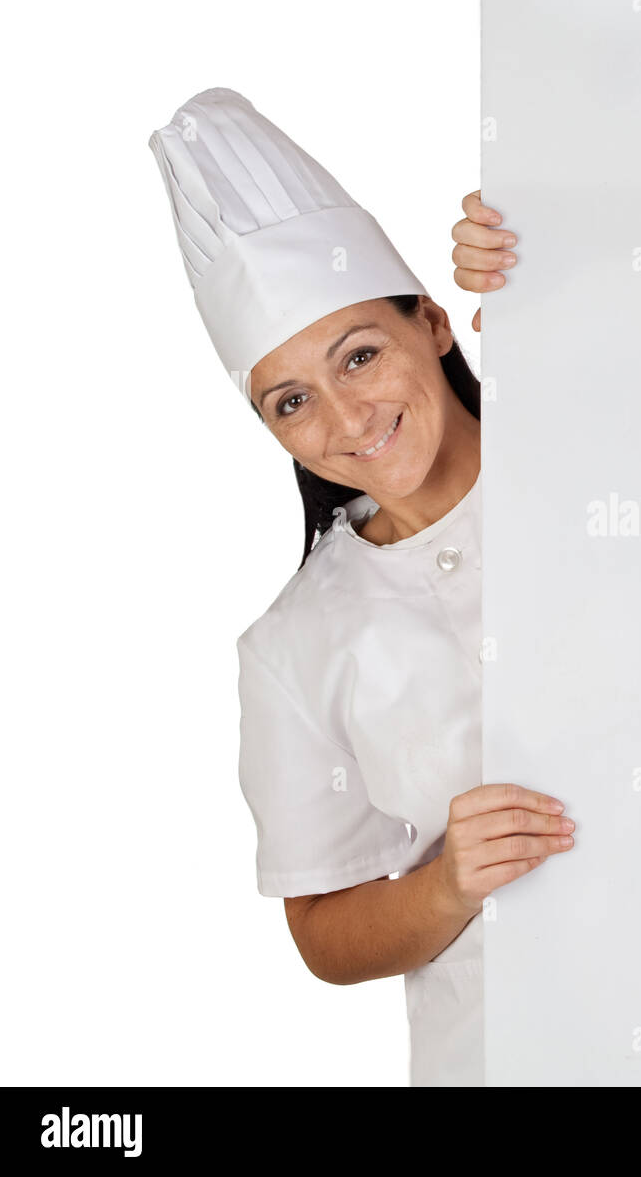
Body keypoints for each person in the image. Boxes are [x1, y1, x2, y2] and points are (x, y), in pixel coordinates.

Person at [147, 87, 575, 1086]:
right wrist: (444, 888)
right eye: (292, 401)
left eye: (361, 354)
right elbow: (324, 929)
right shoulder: (295, 646)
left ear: (432, 320)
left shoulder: (594, 457)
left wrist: (562, 254)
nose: (346, 419)